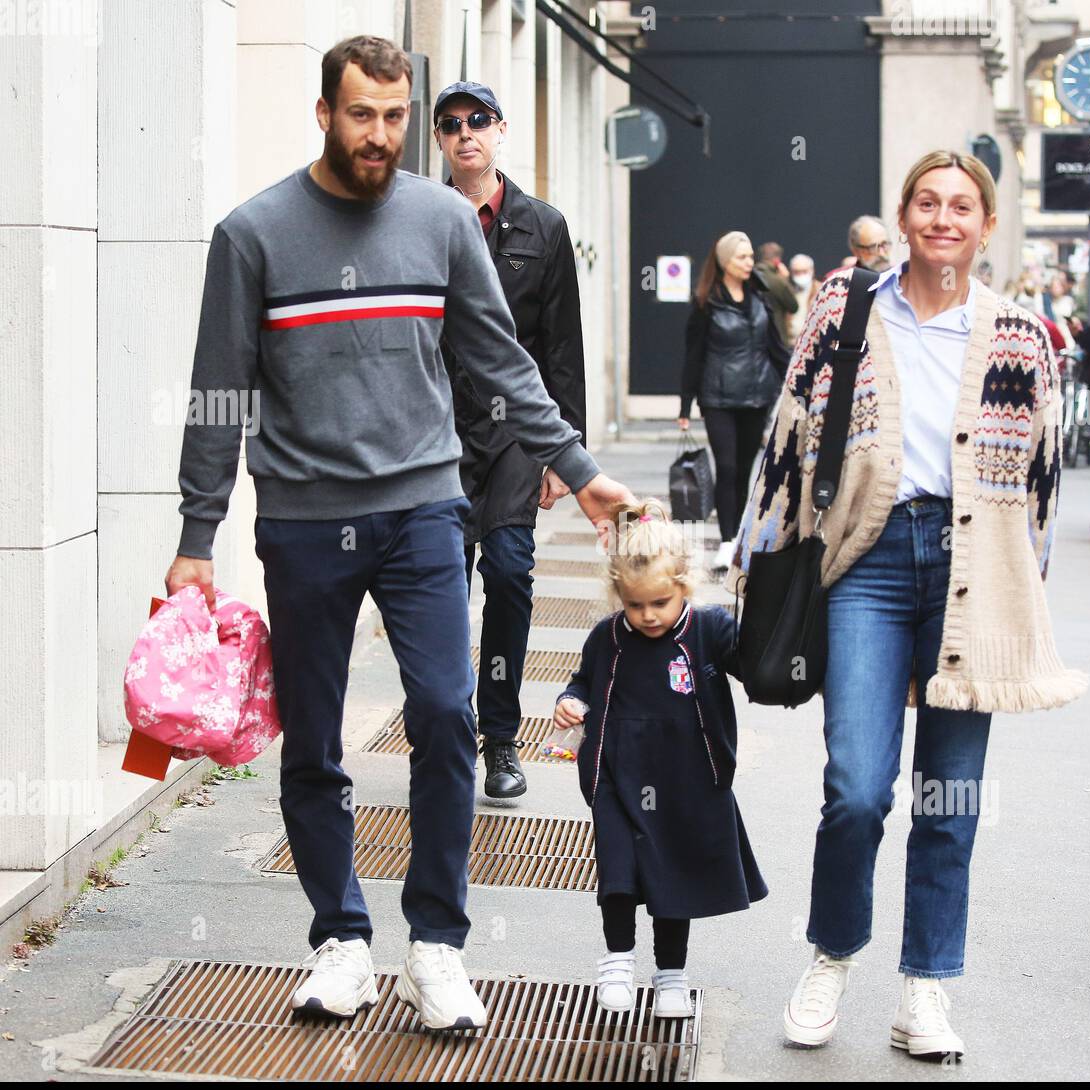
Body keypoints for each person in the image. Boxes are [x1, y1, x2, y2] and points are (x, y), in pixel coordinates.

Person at [166, 35, 630, 1032]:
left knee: (443, 712)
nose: (381, 135)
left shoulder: (439, 220)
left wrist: (578, 470)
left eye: (394, 115)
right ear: (324, 113)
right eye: (361, 114)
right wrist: (197, 535)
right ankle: (340, 938)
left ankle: (438, 945)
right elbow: (216, 392)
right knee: (314, 742)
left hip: (424, 505)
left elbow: (503, 362)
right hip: (302, 518)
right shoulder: (252, 234)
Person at [730, 149, 1087, 1059]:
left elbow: (1042, 478)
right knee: (856, 786)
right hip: (871, 562)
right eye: (927, 203)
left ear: (986, 225)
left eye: (961, 207)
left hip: (974, 571)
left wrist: (1021, 592)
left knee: (949, 794)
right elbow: (786, 439)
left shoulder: (1019, 334)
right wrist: (755, 557)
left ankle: (926, 987)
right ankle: (833, 954)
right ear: (902, 215)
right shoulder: (847, 310)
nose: (943, 220)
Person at [552, 499, 767, 1016]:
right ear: (618, 596)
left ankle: (671, 974)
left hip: (685, 780)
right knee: (619, 874)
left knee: (674, 877)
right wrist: (571, 700)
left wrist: (774, 617)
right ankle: (617, 960)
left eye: (660, 603)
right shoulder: (606, 637)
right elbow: (583, 680)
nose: (648, 616)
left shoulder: (710, 629)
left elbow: (757, 665)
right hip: (617, 776)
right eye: (634, 605)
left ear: (684, 587)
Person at [434, 80, 587, 802]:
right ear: (438, 140)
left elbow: (562, 349)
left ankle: (499, 740)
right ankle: (442, 727)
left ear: (500, 131)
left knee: (511, 572)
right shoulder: (416, 219)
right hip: (432, 434)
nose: (466, 133)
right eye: (451, 124)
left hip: (516, 435)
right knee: (438, 583)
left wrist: (565, 452)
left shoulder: (542, 227)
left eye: (479, 121)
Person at [678, 231, 791, 572]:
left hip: (757, 396)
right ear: (726, 262)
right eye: (742, 257)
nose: (749, 263)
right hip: (718, 398)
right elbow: (693, 356)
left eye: (750, 256)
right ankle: (727, 542)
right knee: (725, 467)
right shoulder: (706, 303)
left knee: (745, 470)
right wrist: (685, 406)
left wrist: (805, 377)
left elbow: (776, 348)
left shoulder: (761, 298)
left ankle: (742, 535)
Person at [754, 242, 800, 346]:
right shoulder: (777, 281)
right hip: (775, 338)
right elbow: (793, 306)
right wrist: (786, 280)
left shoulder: (748, 277)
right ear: (777, 260)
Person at [788, 253, 822, 343]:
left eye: (804, 271)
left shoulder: (821, 290)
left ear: (812, 270)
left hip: (812, 344)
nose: (800, 275)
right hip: (790, 344)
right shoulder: (787, 290)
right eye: (796, 272)